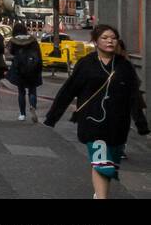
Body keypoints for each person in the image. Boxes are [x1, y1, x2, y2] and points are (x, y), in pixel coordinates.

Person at [45, 23, 149, 199]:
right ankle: (101, 197)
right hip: (92, 122)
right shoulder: (86, 64)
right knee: (101, 163)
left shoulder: (124, 66)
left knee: (110, 165)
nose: (110, 41)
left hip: (117, 124)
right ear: (95, 41)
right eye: (105, 38)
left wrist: (141, 123)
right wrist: (52, 117)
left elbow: (134, 96)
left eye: (114, 38)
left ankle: (99, 193)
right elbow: (68, 90)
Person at [8, 27, 44, 122]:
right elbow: (38, 54)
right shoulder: (32, 40)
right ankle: (33, 106)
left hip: (20, 69)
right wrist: (40, 67)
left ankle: (22, 114)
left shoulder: (14, 41)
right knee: (32, 91)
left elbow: (11, 52)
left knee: (21, 92)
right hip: (32, 68)